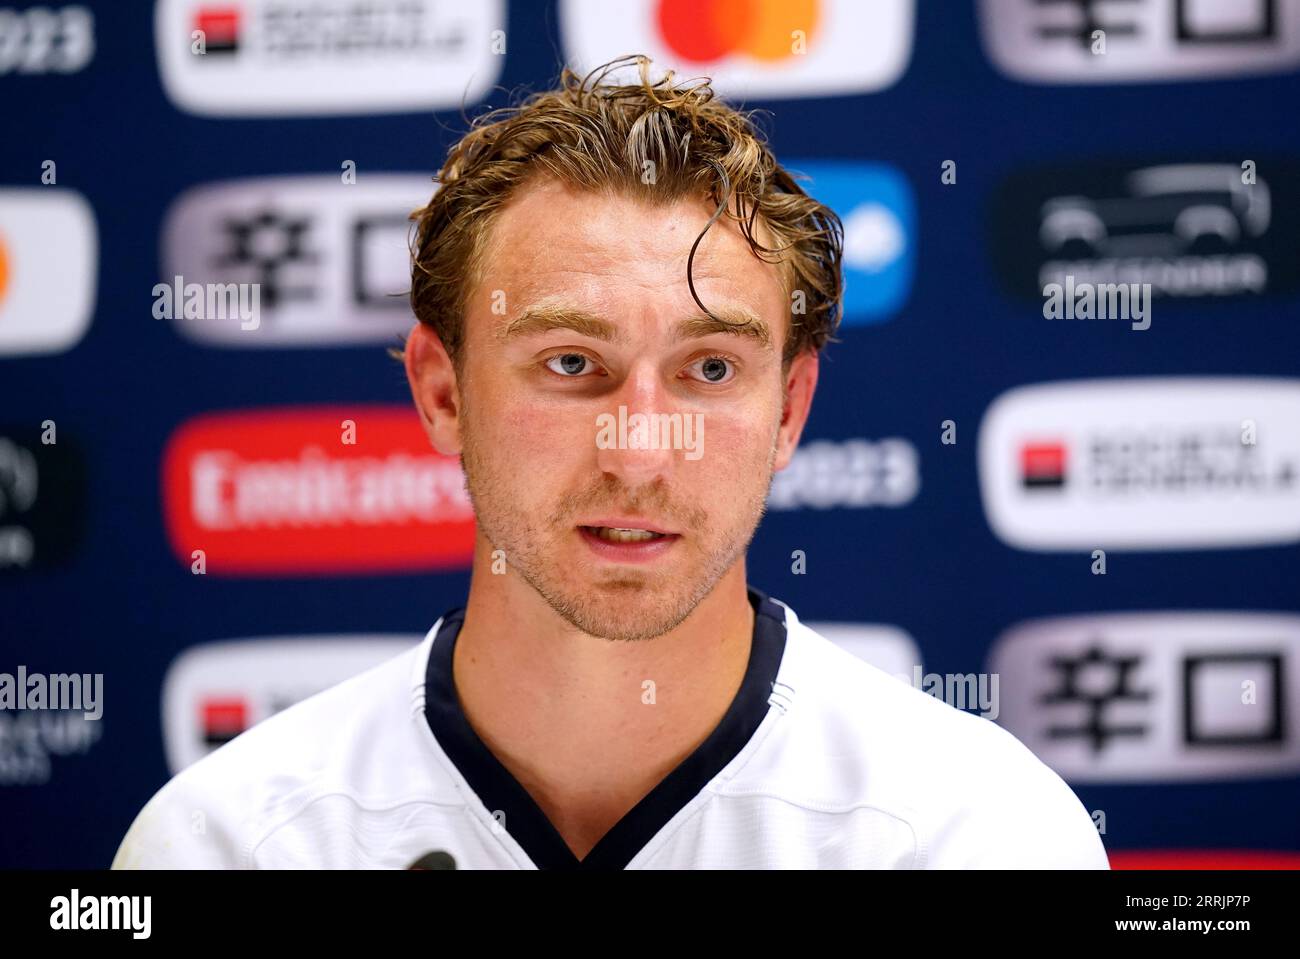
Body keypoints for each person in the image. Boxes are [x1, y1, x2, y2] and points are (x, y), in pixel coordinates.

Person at [112, 55, 1108, 869]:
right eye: (571, 363)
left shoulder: (976, 833)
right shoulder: (227, 843)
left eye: (709, 367)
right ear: (443, 391)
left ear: (789, 409)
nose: (639, 448)